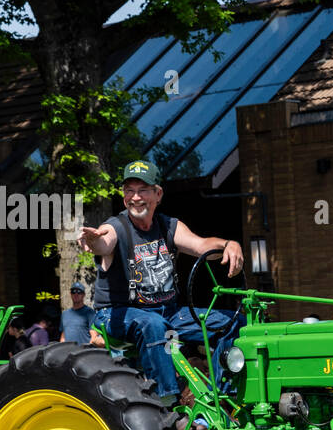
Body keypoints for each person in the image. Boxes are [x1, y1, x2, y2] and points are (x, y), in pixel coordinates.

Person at [79, 159, 244, 404]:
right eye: (129, 191)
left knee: (235, 321)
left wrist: (229, 244)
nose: (135, 197)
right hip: (117, 313)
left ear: (158, 194)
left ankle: (221, 399)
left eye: (142, 190)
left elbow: (201, 245)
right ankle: (167, 404)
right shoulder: (117, 226)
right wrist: (93, 242)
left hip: (170, 312)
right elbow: (104, 241)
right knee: (154, 324)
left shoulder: (168, 226)